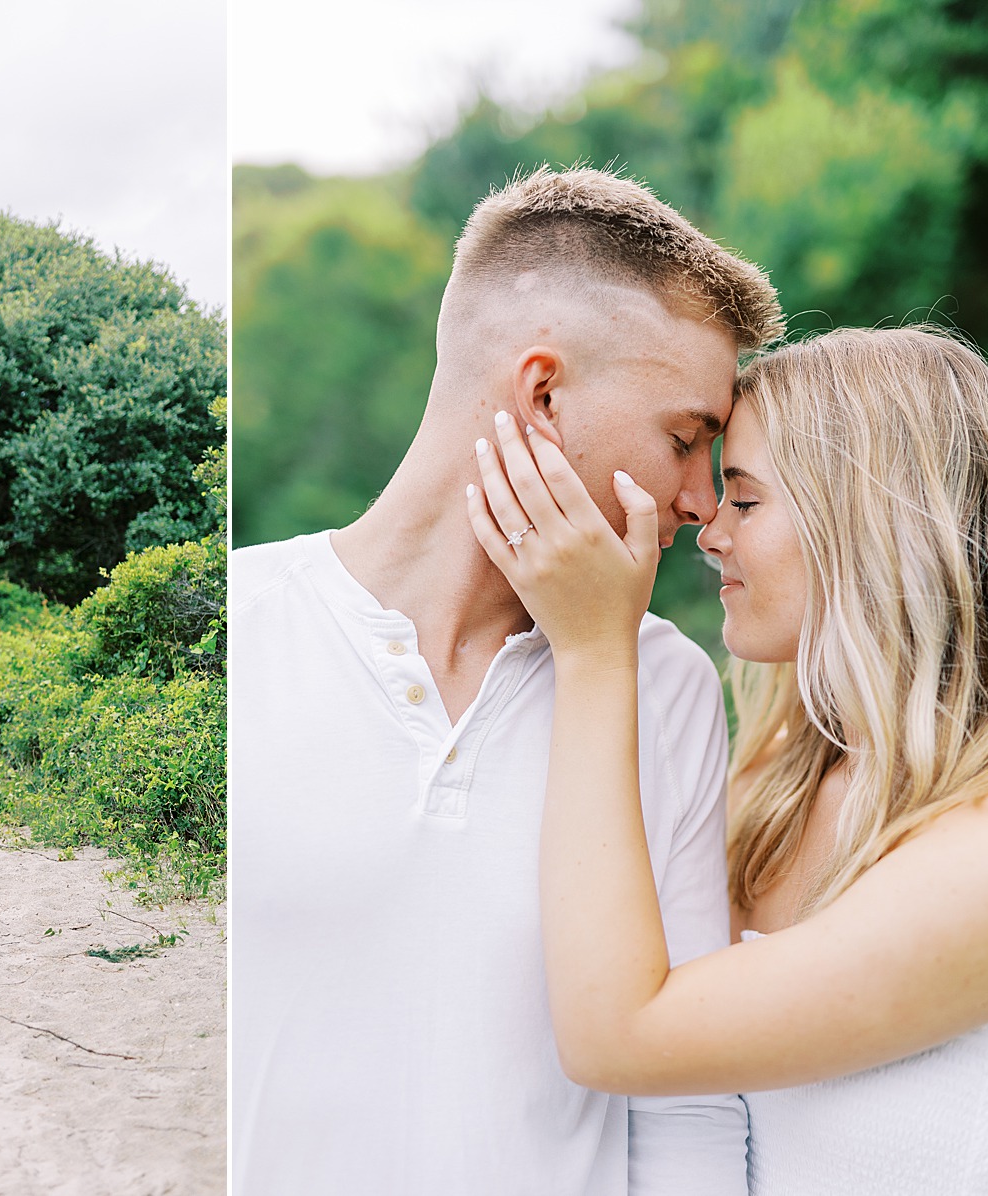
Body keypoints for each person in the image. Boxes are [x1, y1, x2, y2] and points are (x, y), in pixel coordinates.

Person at [231, 166, 783, 1194]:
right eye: (683, 439)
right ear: (541, 395)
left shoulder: (665, 683)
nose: (701, 500)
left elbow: (684, 1106)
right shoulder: (242, 625)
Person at [467, 325, 988, 1193]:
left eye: (747, 500)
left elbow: (621, 1036)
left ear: (867, 520)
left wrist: (595, 653)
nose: (710, 531)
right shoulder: (769, 788)